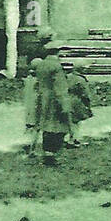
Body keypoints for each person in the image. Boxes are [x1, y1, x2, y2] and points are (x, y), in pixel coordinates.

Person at [31, 36, 74, 166]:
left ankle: (46, 153)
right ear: (57, 52)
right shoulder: (56, 67)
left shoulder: (41, 64)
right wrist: (65, 104)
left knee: (46, 126)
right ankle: (51, 155)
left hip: (42, 97)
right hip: (53, 100)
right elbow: (60, 88)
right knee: (57, 126)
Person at [65, 59, 94, 147]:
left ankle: (69, 138)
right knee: (76, 121)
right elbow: (85, 94)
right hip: (76, 101)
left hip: (66, 99)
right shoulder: (81, 79)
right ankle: (74, 139)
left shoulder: (67, 76)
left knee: (68, 120)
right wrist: (88, 105)